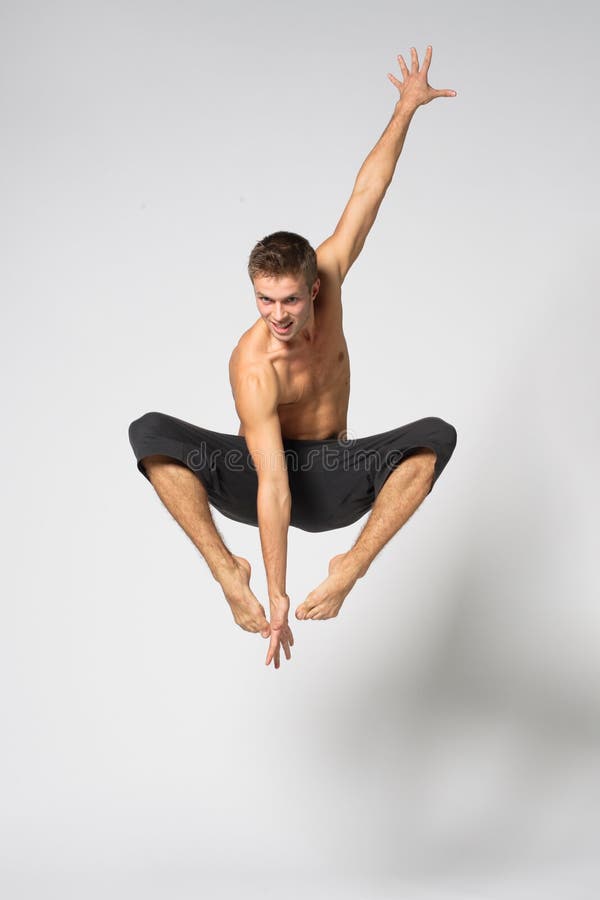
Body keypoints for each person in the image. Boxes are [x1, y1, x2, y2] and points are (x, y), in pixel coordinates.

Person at [128, 45, 458, 670]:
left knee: (435, 437)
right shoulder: (254, 365)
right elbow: (273, 483)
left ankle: (350, 567)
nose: (276, 315)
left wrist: (406, 107)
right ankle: (227, 568)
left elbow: (369, 191)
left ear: (312, 288)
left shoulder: (329, 275)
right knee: (150, 433)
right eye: (262, 300)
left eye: (287, 300)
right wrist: (273, 593)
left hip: (334, 475)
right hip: (263, 473)